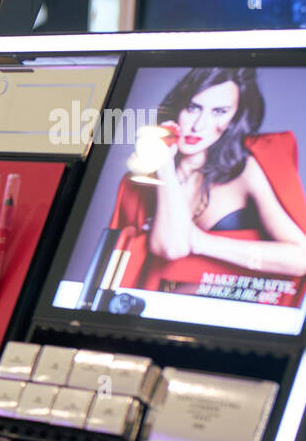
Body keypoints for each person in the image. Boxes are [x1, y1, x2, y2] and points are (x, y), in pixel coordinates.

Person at [109, 66, 306, 302]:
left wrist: (203, 242)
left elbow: (300, 258)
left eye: (219, 111)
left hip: (228, 321)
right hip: (160, 312)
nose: (199, 125)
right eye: (193, 107)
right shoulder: (151, 176)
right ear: (177, 107)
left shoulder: (245, 170)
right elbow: (171, 247)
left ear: (235, 117)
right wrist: (165, 167)